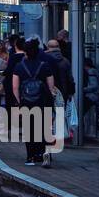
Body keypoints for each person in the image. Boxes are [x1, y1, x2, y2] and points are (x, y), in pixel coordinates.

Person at [12, 37, 58, 166]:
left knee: (29, 129)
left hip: (27, 103)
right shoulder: (45, 66)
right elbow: (51, 87)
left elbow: (15, 87)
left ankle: (30, 157)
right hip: (43, 102)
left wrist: (19, 102)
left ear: (25, 52)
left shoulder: (19, 66)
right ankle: (44, 154)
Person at [44, 39, 75, 142]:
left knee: (48, 113)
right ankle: (60, 136)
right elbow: (70, 78)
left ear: (48, 47)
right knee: (60, 113)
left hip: (48, 90)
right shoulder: (65, 61)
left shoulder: (45, 60)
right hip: (62, 91)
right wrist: (71, 92)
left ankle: (49, 136)